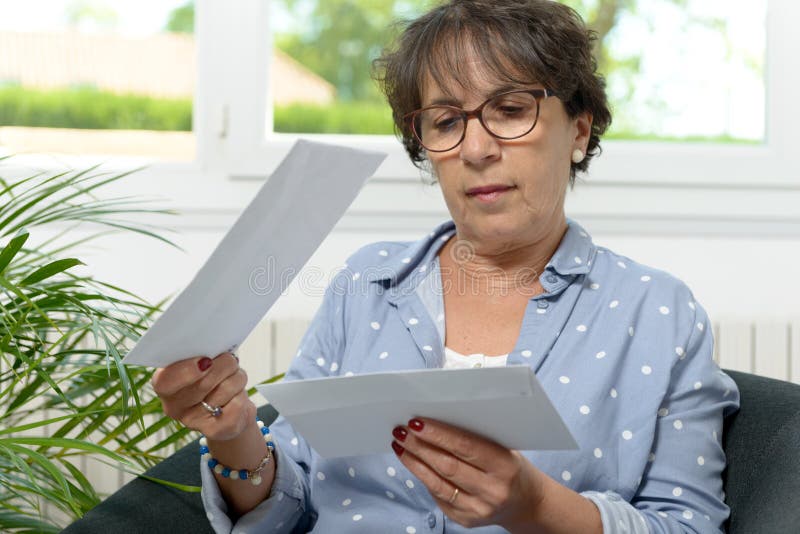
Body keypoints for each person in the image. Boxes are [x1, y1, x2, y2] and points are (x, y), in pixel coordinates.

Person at [152, 1, 739, 532]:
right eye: (447, 122)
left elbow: (687, 526)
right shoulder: (365, 284)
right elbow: (288, 507)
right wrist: (234, 436)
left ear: (579, 131)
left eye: (510, 110)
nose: (476, 149)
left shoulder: (658, 312)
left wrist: (533, 506)